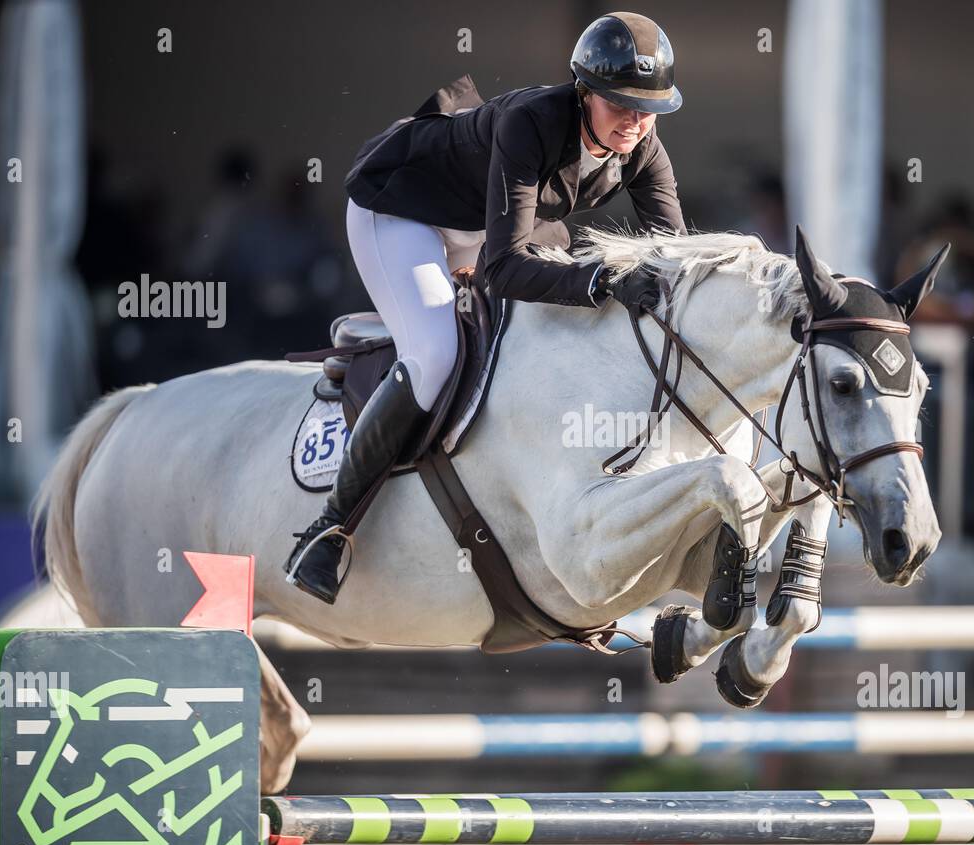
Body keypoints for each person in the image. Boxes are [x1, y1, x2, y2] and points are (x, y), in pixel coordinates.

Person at [285, 12, 687, 604]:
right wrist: (602, 280)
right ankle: (330, 527)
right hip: (401, 209)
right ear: (585, 92)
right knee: (436, 353)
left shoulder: (643, 147)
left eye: (648, 107)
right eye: (621, 102)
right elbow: (504, 268)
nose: (635, 120)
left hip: (482, 224)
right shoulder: (533, 123)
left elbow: (676, 256)